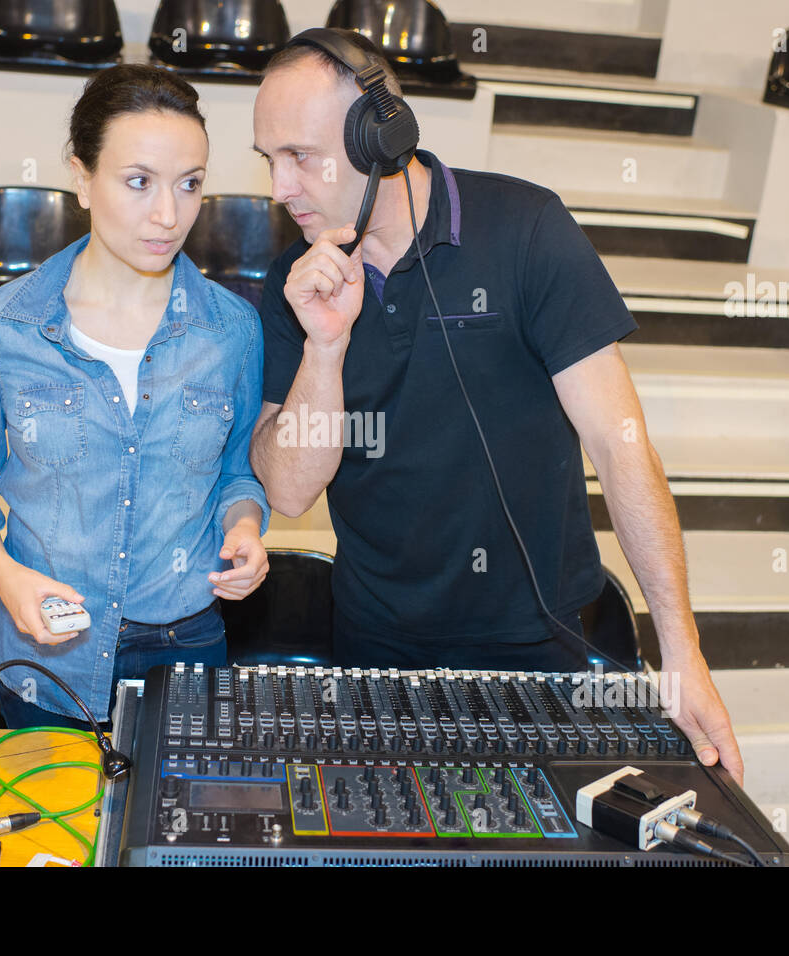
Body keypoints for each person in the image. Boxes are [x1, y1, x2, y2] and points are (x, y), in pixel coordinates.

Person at [248, 29, 743, 785]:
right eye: (269, 161)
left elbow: (621, 446)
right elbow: (287, 489)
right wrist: (324, 348)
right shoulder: (295, 280)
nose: (279, 188)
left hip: (536, 640)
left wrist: (682, 649)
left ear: (382, 135)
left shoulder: (526, 230)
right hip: (376, 642)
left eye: (300, 157)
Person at [0, 64, 270, 730]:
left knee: (172, 835)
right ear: (81, 176)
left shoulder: (233, 330)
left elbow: (239, 474)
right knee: (52, 836)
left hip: (187, 650)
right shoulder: (0, 327)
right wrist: (6, 575)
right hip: (49, 652)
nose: (169, 215)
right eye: (138, 182)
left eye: (191, 185)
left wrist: (245, 532)